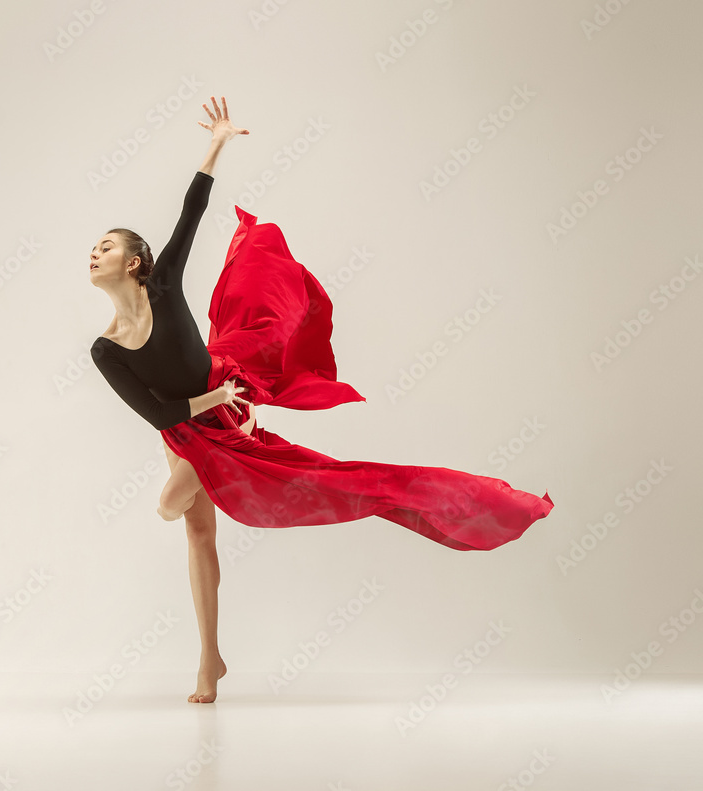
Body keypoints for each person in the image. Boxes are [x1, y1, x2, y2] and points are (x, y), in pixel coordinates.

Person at [88, 96, 553, 705]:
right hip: (191, 424)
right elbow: (161, 414)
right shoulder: (105, 350)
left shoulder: (168, 283)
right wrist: (218, 398)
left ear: (136, 262)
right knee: (197, 535)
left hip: (225, 413)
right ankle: (211, 661)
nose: (94, 254)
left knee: (170, 506)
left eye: (105, 245)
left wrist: (217, 142)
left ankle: (478, 504)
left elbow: (192, 209)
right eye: (92, 249)